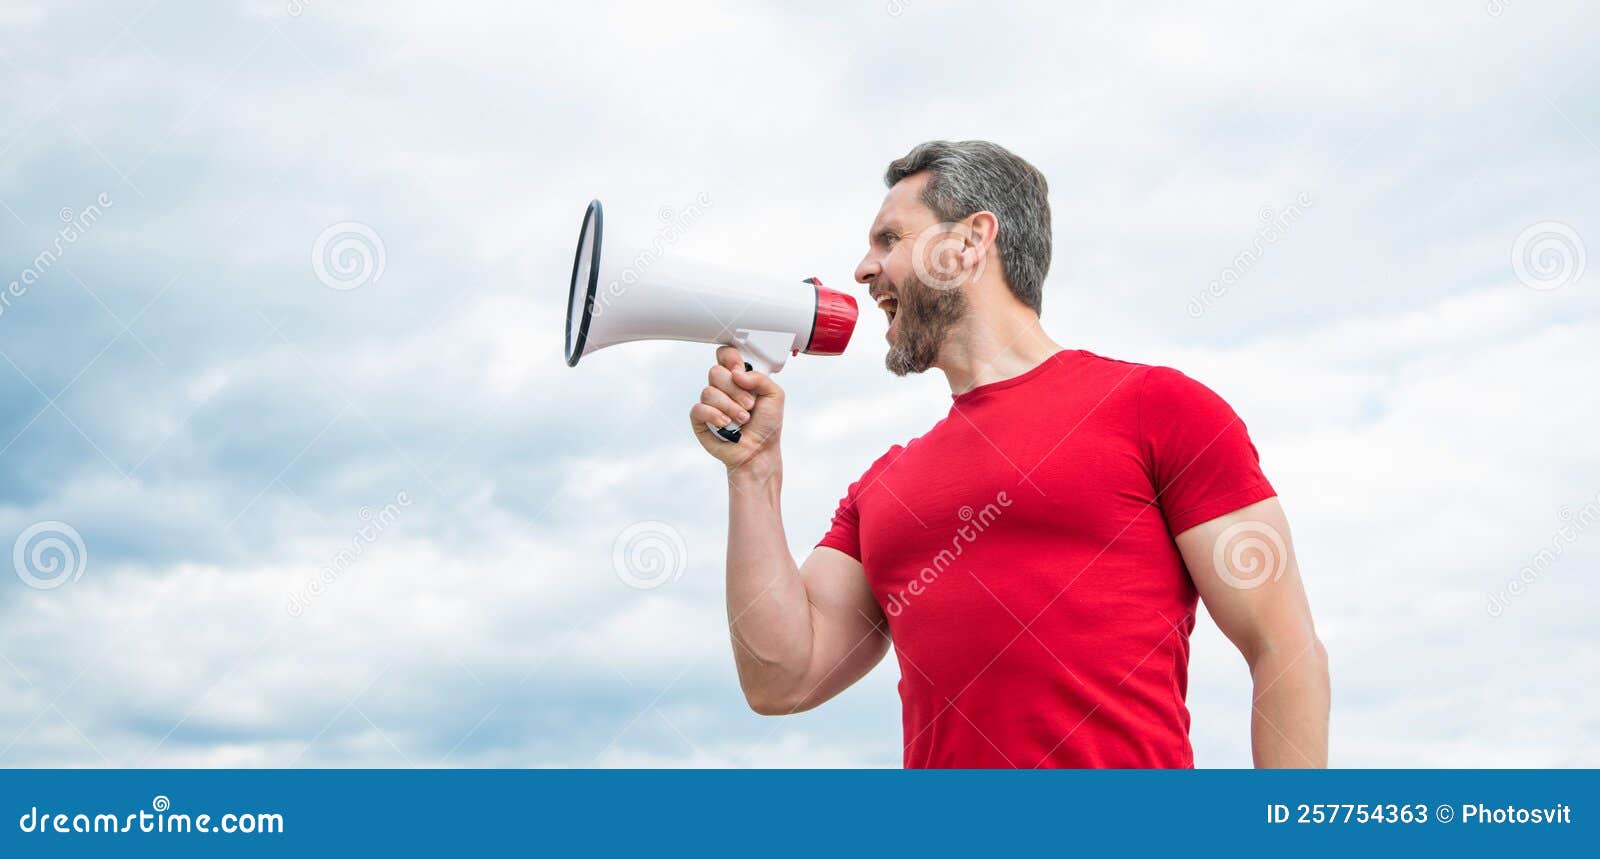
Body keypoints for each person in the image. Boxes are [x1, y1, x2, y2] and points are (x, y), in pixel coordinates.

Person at [688, 140, 1329, 768]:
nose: (862, 269)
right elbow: (781, 679)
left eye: (889, 239)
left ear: (968, 243)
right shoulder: (880, 488)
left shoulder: (1158, 408)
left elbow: (1283, 646)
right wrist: (753, 474)